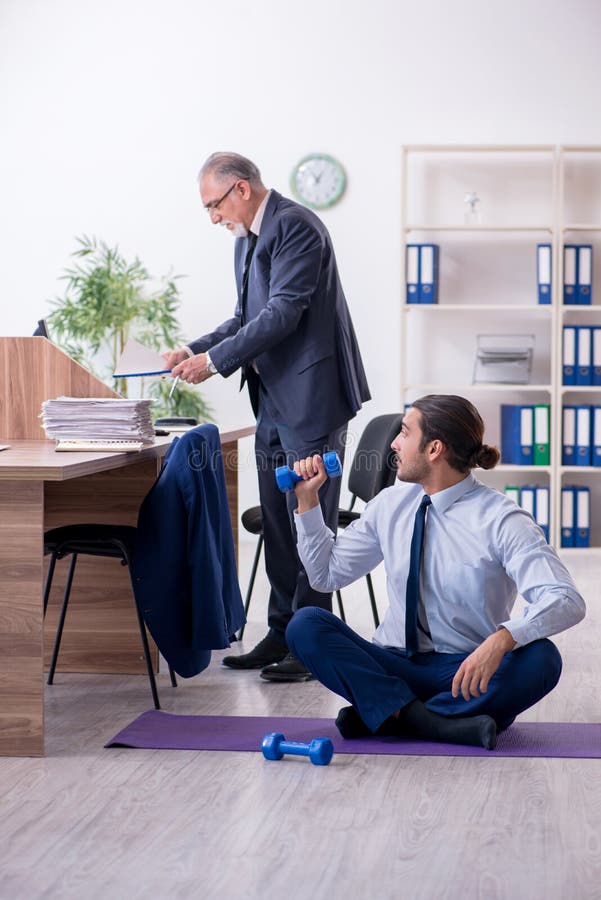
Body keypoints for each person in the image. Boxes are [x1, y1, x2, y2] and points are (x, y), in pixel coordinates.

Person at [163, 152, 370, 682]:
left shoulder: (295, 225)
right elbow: (245, 317)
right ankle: (281, 632)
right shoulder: (247, 238)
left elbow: (283, 312)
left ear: (241, 189)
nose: (213, 217)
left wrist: (214, 363)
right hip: (274, 399)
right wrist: (193, 349)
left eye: (214, 205)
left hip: (312, 399)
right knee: (279, 522)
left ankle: (311, 643)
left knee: (309, 519)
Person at [286, 394, 585, 749]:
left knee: (542, 660)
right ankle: (438, 722)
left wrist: (502, 639)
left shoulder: (502, 519)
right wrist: (307, 500)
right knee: (306, 625)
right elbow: (326, 576)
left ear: (434, 449)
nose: (394, 444)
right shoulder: (389, 505)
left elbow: (565, 598)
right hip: (394, 661)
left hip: (464, 671)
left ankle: (388, 710)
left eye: (404, 433)